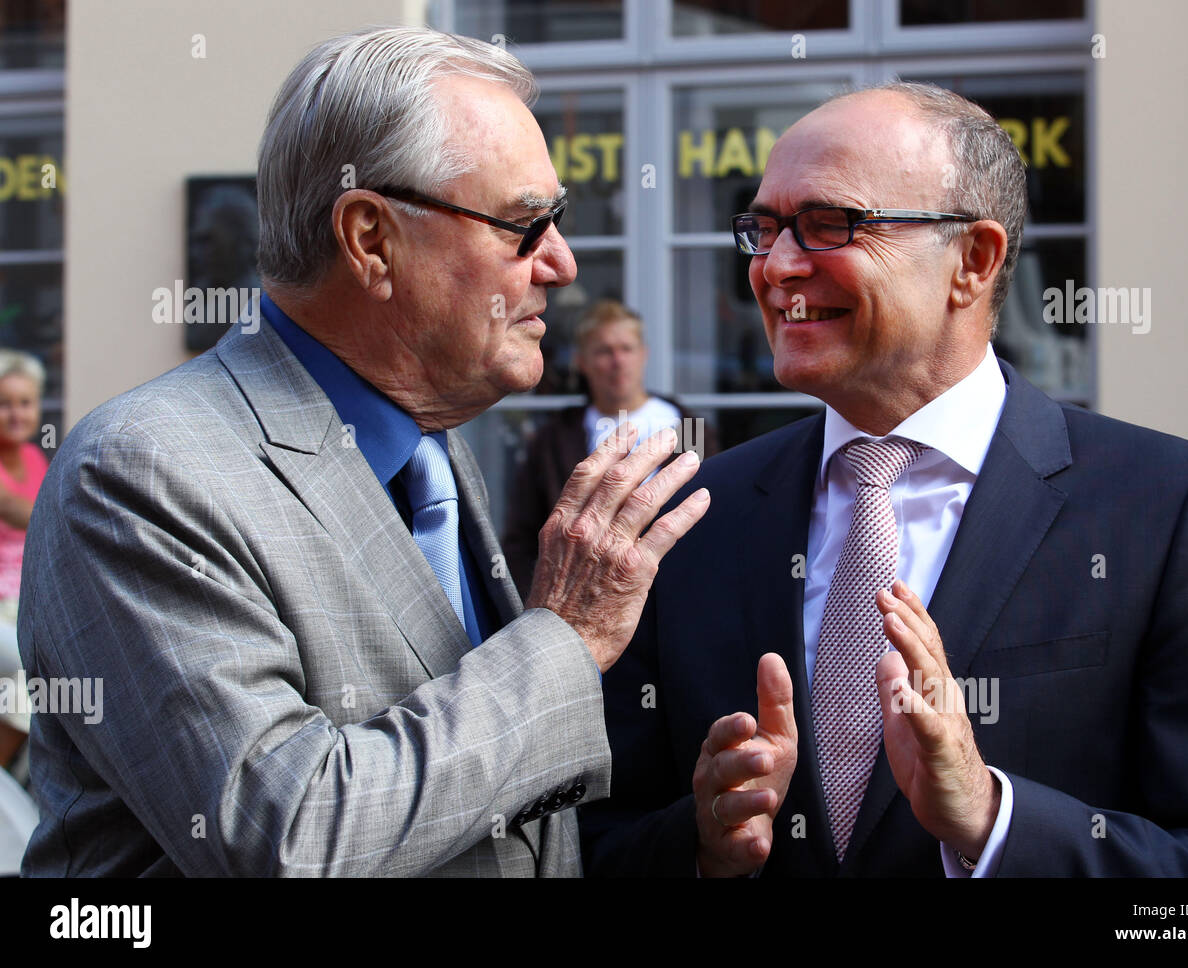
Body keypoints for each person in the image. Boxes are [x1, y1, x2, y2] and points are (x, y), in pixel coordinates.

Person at [17, 26, 708, 877]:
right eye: (524, 226)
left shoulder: (427, 453)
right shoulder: (139, 472)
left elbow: (484, 823)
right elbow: (295, 837)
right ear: (372, 239)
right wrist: (563, 637)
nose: (561, 264)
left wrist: (691, 844)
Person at [580, 82, 1188, 876]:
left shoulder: (1172, 510)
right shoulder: (692, 520)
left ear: (974, 260)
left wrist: (993, 823)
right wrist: (701, 844)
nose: (777, 266)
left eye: (829, 226)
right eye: (764, 229)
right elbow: (596, 842)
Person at [504, 299, 715, 596]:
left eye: (627, 349)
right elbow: (523, 535)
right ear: (581, 361)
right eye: (604, 351)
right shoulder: (555, 438)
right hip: (583, 593)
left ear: (644, 354)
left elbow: (714, 512)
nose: (618, 361)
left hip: (679, 590)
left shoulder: (688, 426)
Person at [0, 349, 49, 781]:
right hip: (1, 607)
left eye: (25, 402)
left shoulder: (34, 458)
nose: (16, 413)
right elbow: (31, 515)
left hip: (30, 599)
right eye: (4, 403)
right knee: (24, 674)